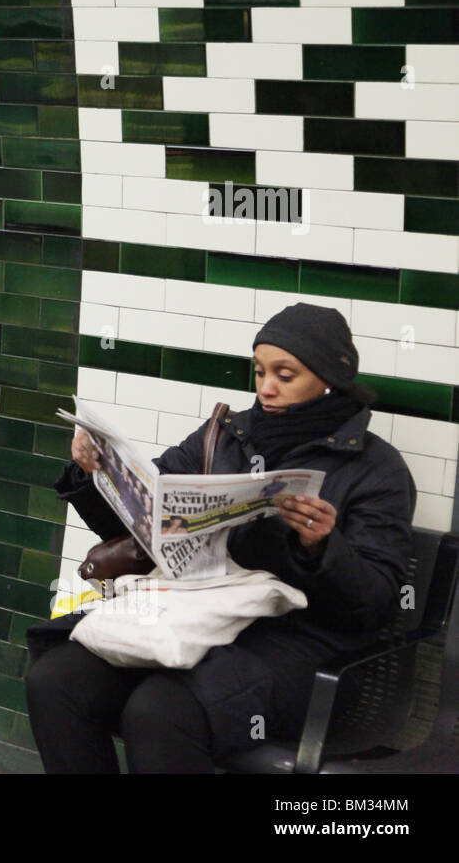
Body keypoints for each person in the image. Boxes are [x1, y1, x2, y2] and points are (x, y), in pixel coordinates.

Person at [25, 303, 417, 772]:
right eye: (259, 372)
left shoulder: (376, 469)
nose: (266, 388)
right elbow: (139, 527)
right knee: (55, 682)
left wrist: (321, 548)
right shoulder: (226, 435)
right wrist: (95, 473)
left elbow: (375, 603)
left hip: (297, 643)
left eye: (285, 375)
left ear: (329, 378)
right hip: (195, 612)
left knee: (159, 711)